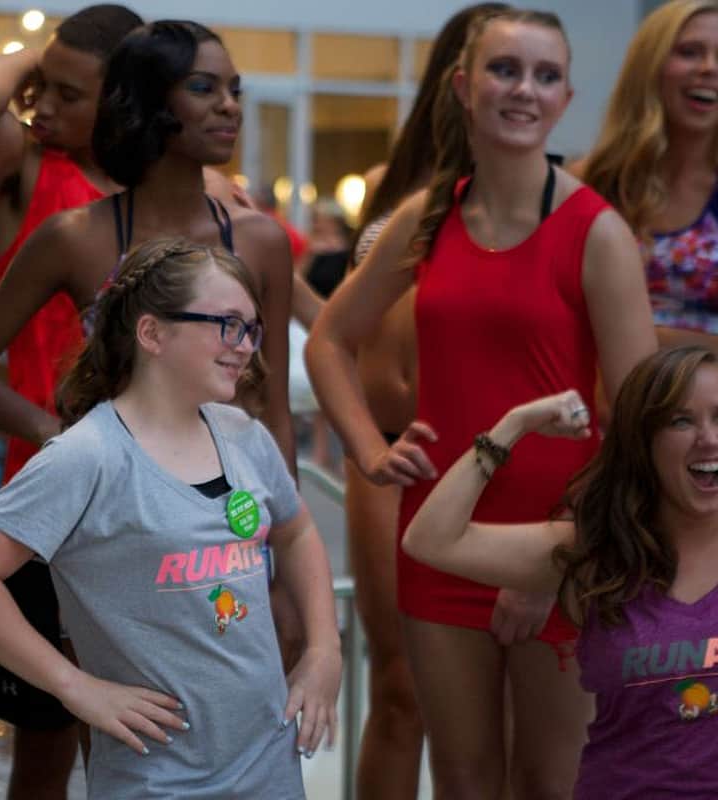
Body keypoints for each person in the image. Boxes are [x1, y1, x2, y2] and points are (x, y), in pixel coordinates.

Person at [307, 8, 658, 797]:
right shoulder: (427, 218)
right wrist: (368, 449)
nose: (523, 90)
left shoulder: (595, 232)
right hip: (439, 534)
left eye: (545, 75)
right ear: (464, 87)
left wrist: (551, 563)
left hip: (563, 544)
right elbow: (328, 341)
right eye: (504, 70)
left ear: (567, 98)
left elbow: (639, 423)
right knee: (463, 781)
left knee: (548, 782)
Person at [0, 238, 341, 800]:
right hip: (158, 779)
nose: (244, 346)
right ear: (152, 334)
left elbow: (296, 530)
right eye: (226, 324)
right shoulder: (89, 456)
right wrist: (73, 687)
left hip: (269, 767)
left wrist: (324, 651)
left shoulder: (244, 436)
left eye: (251, 328)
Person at [0, 8, 143, 794]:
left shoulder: (165, 191)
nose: (39, 107)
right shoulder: (24, 171)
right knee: (48, 746)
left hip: (151, 503)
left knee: (141, 737)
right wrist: (59, 49)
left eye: (67, 93)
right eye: (36, 89)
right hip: (47, 497)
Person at [402, 344, 718, 799]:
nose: (707, 437)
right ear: (644, 442)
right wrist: (513, 426)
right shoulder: (598, 551)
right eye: (682, 421)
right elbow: (430, 540)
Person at [336, 5, 507, 797]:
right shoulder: (391, 193)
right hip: (391, 447)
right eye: (493, 64)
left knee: (495, 687)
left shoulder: (542, 199)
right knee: (399, 685)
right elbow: (337, 328)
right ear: (458, 77)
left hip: (488, 455)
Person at [582, 0, 718, 349]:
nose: (709, 68)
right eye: (689, 52)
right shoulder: (592, 181)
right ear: (650, 65)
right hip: (604, 399)